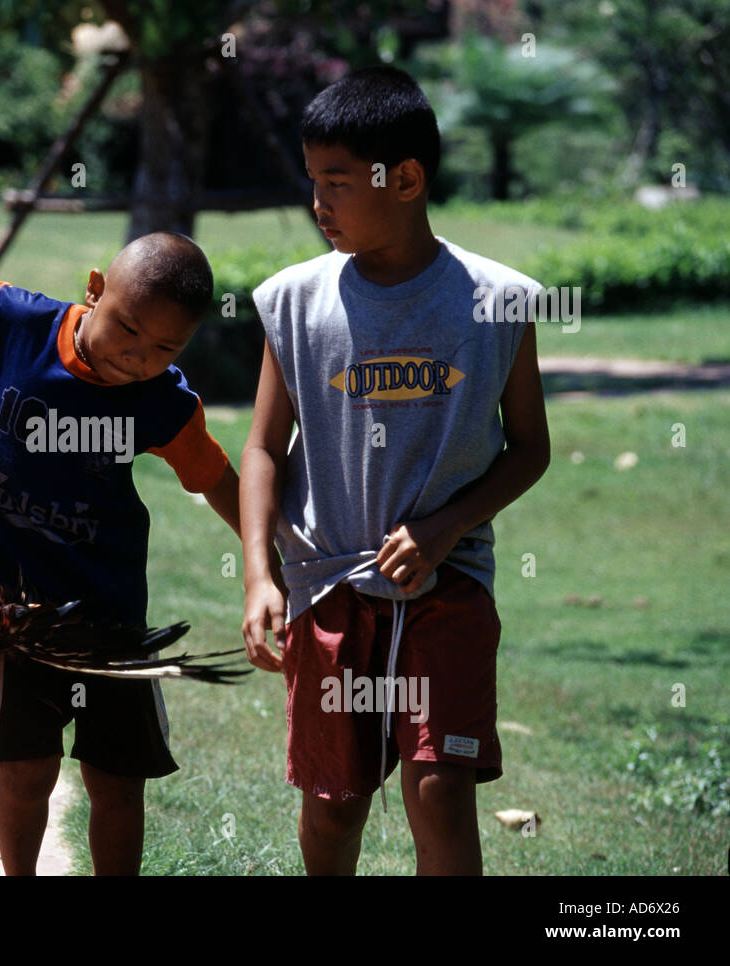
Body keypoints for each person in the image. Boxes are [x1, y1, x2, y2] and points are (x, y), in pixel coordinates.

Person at [239, 65, 551, 875]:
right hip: (331, 588)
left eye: (337, 183)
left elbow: (530, 447)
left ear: (405, 178)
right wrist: (258, 577)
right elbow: (264, 448)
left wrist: (446, 528)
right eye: (313, 182)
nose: (319, 203)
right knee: (334, 809)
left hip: (448, 591)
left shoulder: (500, 302)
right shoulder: (293, 302)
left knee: (440, 791)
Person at [0, 232, 243, 875]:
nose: (137, 356)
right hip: (17, 616)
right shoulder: (16, 323)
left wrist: (268, 566)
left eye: (164, 348)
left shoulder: (162, 402)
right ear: (95, 288)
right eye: (127, 327)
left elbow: (216, 479)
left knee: (117, 781)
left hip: (111, 619)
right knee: (25, 770)